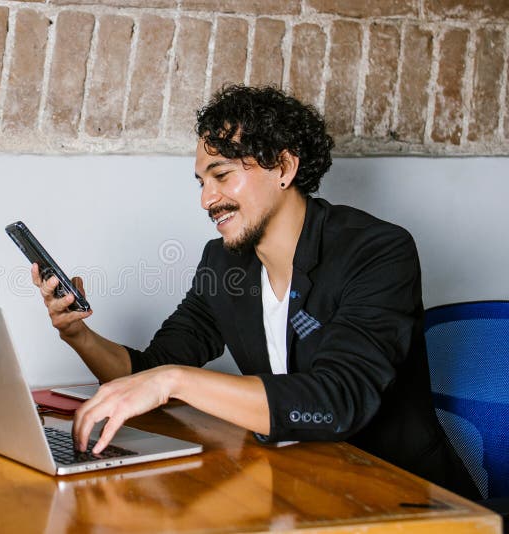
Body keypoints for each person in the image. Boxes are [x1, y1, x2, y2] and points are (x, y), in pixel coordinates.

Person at [31, 85, 479, 499]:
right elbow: (151, 369)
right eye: (201, 182)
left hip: (400, 493)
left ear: (283, 167)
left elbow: (339, 400)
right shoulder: (223, 263)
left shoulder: (377, 251)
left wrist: (173, 382)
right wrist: (78, 336)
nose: (206, 200)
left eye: (221, 175)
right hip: (299, 484)